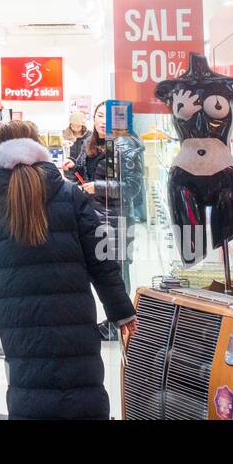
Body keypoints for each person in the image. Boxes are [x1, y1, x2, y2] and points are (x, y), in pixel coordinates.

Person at [0, 120, 137, 420]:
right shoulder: (70, 195)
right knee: (81, 388)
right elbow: (101, 260)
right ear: (37, 147)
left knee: (28, 390)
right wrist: (121, 310)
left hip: (20, 319)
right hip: (72, 315)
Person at [76, 101, 146, 329]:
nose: (103, 121)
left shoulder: (125, 145)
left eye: (108, 117)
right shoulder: (96, 144)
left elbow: (131, 187)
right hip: (93, 217)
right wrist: (73, 170)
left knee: (115, 273)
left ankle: (119, 324)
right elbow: (87, 175)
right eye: (98, 115)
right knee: (103, 271)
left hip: (115, 219)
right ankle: (112, 322)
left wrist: (97, 186)